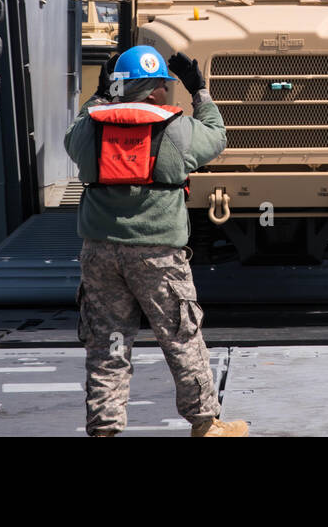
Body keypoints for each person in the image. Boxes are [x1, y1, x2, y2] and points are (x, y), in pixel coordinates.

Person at [64, 44, 248, 438]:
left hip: (99, 253)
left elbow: (72, 136)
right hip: (157, 255)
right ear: (156, 90)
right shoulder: (176, 127)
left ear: (119, 87)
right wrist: (199, 90)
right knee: (181, 336)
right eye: (165, 84)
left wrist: (98, 95)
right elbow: (216, 137)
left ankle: (105, 429)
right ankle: (205, 424)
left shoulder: (91, 125)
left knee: (108, 343)